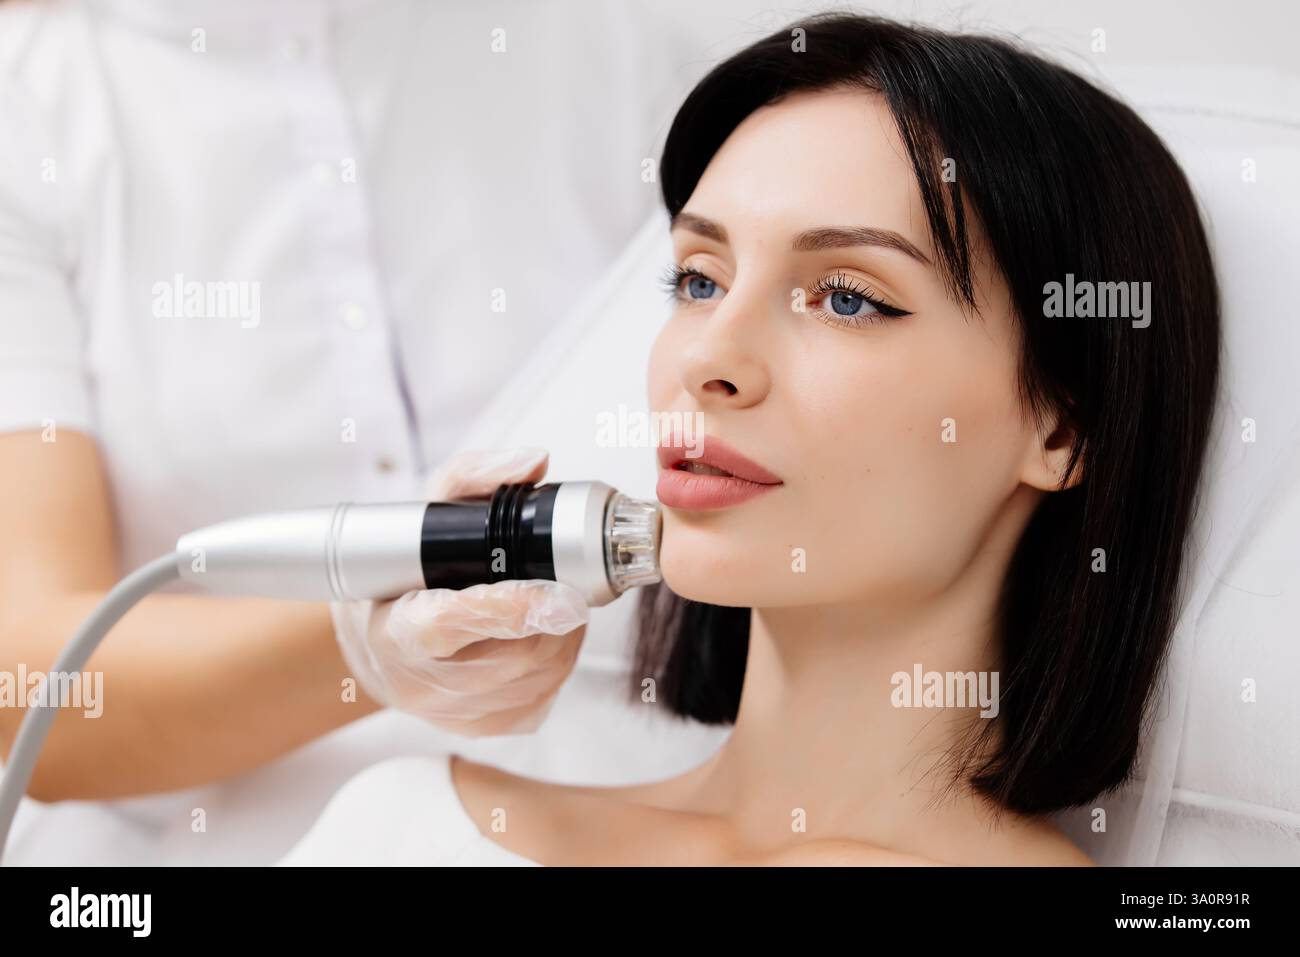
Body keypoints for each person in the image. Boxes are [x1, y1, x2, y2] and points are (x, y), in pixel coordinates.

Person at [279, 12, 1220, 866]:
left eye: (847, 297)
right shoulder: (402, 825)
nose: (710, 359)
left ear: (1059, 426)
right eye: (698, 280)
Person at [0, 0, 721, 863]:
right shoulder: (33, 111)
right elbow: (33, 686)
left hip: (630, 784)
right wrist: (362, 650)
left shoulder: (606, 39)